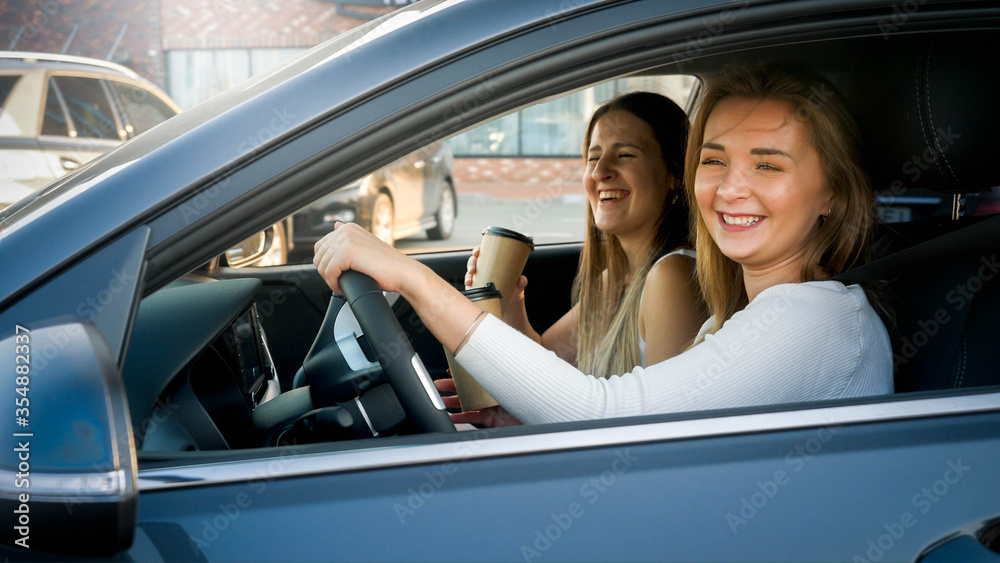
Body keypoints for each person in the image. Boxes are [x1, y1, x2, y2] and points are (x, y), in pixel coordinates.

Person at [313, 62, 893, 426]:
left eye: (768, 166)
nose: (731, 187)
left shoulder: (811, 319)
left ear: (833, 194)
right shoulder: (739, 316)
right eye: (714, 160)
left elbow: (609, 415)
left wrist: (410, 276)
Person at [464, 92, 705, 377]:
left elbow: (666, 416)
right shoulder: (615, 279)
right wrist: (513, 298)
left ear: (674, 174)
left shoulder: (672, 275)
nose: (600, 171)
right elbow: (546, 363)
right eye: (593, 157)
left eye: (625, 155)